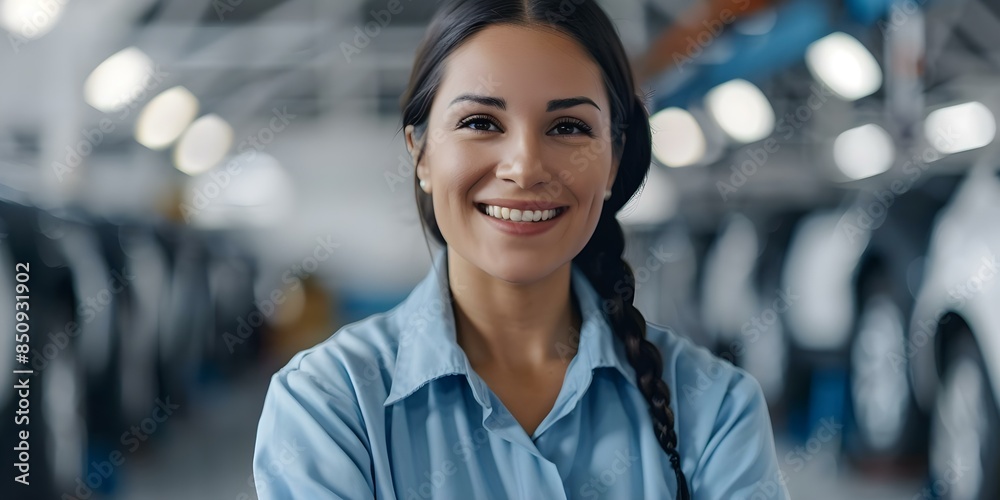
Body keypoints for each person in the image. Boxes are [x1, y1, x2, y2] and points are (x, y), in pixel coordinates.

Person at [253, 1, 788, 498]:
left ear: (614, 162)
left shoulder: (716, 409)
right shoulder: (329, 404)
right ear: (420, 153)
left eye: (569, 127)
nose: (526, 166)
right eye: (481, 122)